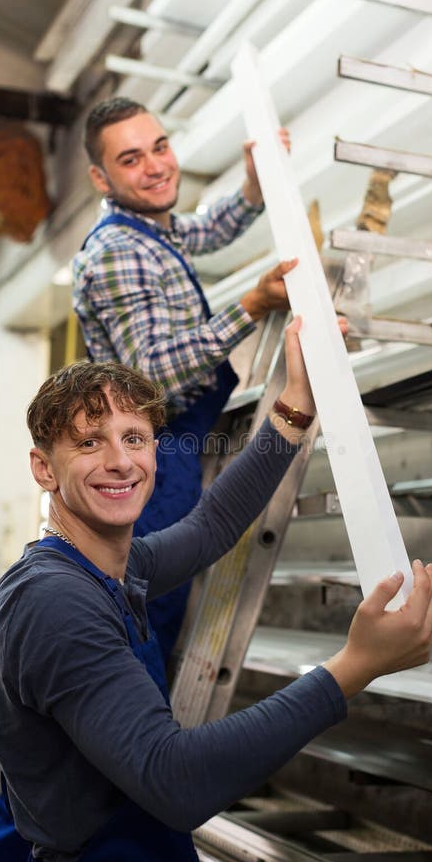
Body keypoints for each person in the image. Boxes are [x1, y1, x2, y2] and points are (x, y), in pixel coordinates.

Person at [0, 319, 432, 862]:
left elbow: (212, 525)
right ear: (43, 468)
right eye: (88, 441)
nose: (120, 461)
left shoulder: (115, 567)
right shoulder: (53, 601)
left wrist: (295, 402)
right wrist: (354, 667)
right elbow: (174, 779)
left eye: (134, 438)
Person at [71, 96, 304, 662]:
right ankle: (142, 741)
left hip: (180, 441)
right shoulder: (117, 252)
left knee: (161, 602)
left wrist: (253, 187)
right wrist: (250, 305)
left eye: (160, 147)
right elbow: (147, 374)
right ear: (101, 177)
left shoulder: (152, 227)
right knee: (145, 614)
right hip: (154, 448)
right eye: (131, 160)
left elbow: (205, 231)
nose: (155, 167)